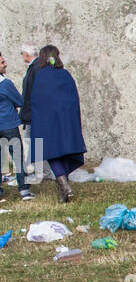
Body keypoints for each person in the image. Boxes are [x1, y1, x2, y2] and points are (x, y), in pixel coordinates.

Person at [20, 45, 86, 202]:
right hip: (66, 121)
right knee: (63, 151)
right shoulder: (65, 74)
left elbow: (36, 100)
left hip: (48, 122)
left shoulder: (41, 76)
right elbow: (73, 99)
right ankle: (64, 186)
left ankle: (63, 184)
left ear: (42, 57)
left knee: (51, 153)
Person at [0, 49, 33, 199]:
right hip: (8, 124)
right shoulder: (5, 83)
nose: (5, 64)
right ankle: (23, 189)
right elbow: (20, 101)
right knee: (17, 156)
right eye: (2, 62)